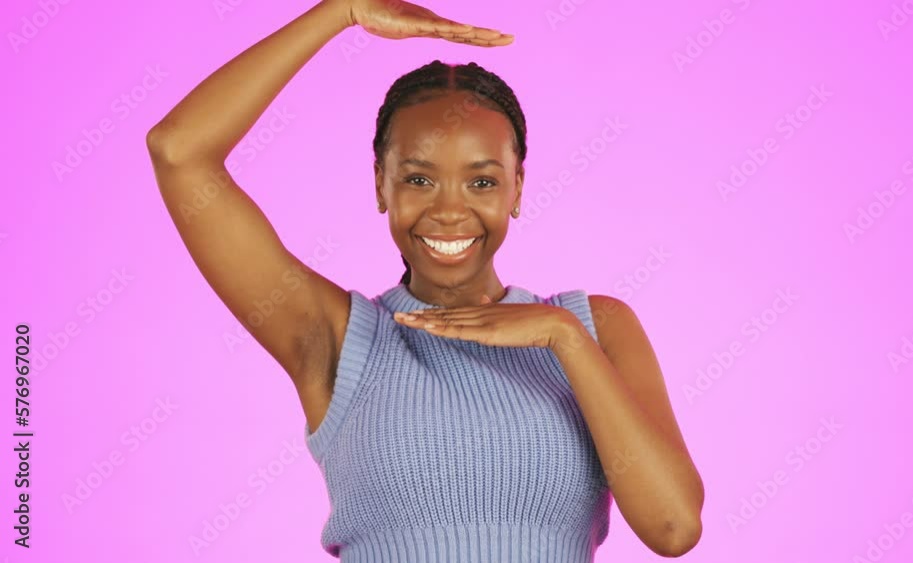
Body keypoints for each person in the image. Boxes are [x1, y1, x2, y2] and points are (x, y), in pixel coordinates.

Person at [145, 0, 704, 560]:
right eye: (418, 178)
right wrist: (341, 12)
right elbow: (179, 151)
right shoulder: (337, 338)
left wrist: (563, 337)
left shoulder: (596, 327)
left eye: (481, 183)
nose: (449, 211)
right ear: (380, 185)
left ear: (518, 187)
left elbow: (673, 527)